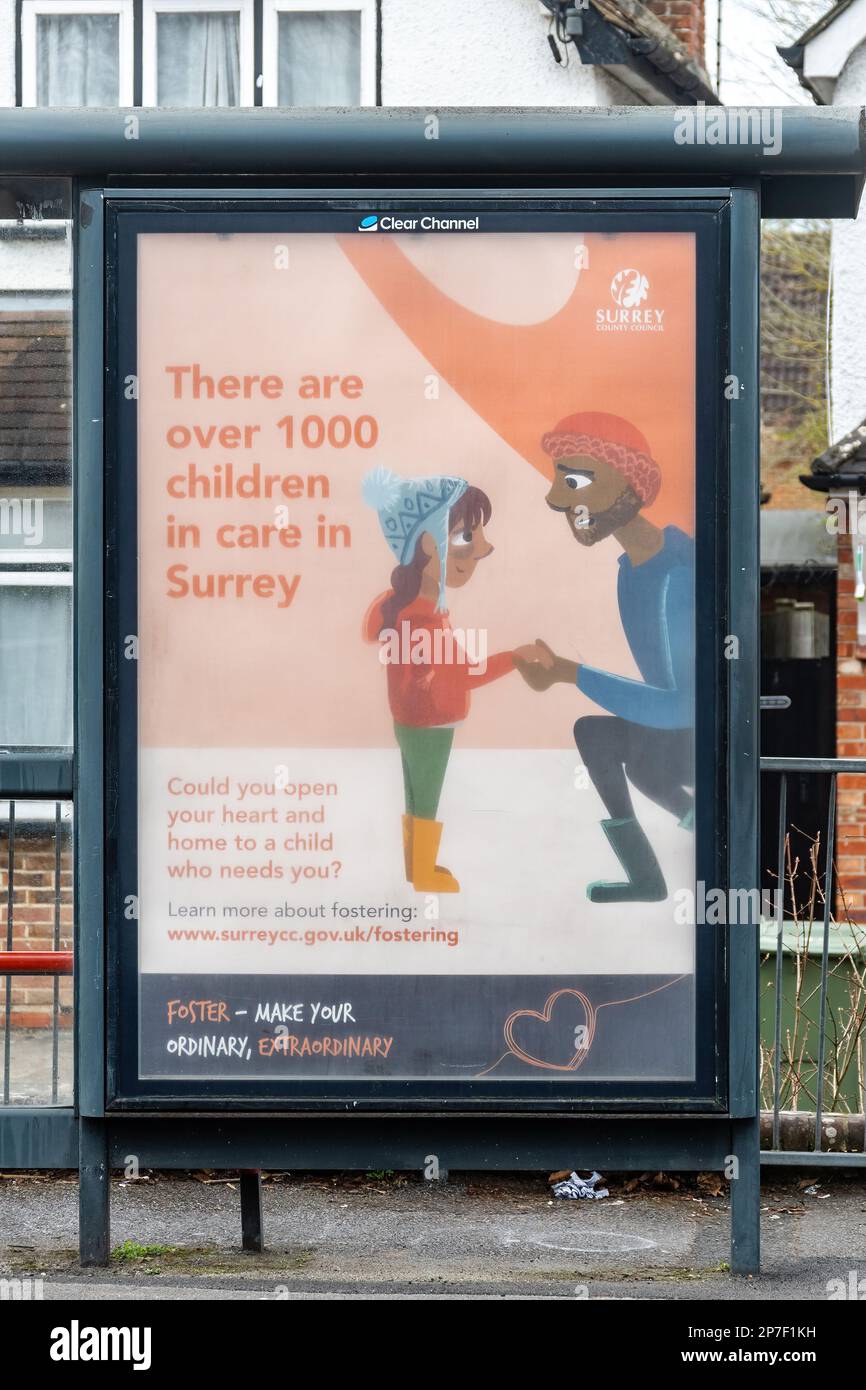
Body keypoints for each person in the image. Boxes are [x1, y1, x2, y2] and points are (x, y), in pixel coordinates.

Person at [514, 412, 695, 904]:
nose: (556, 500)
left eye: (573, 481)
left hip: (699, 738)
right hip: (669, 741)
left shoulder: (678, 573)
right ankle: (648, 874)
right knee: (598, 736)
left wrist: (571, 674)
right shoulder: (631, 569)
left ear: (629, 482)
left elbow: (684, 706)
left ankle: (700, 822)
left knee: (618, 745)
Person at [363, 467, 541, 894]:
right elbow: (464, 675)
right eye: (465, 540)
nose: (479, 553)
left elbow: (376, 632)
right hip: (431, 723)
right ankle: (423, 873)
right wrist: (515, 659)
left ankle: (414, 868)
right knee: (426, 796)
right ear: (428, 543)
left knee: (413, 791)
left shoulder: (402, 607)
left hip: (406, 720)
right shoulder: (424, 620)